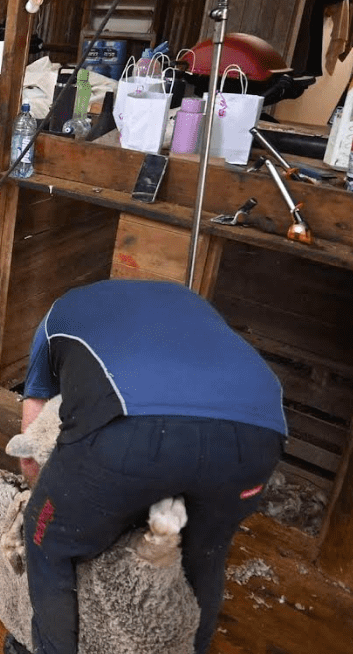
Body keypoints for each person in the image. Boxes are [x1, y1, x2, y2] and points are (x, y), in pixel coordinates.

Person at [15, 279, 287, 654]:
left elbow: (32, 435)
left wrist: (44, 496)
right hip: (259, 433)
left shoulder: (54, 319)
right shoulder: (189, 301)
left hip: (133, 428)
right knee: (204, 556)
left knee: (47, 538)